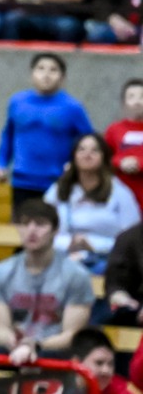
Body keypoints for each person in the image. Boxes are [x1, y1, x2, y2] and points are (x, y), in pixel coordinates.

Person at [0, 198, 94, 364]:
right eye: (24, 224)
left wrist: (35, 345)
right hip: (15, 349)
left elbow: (71, 336)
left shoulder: (76, 275)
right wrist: (13, 343)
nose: (31, 230)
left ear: (55, 230)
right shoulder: (0, 272)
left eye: (40, 224)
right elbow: (0, 329)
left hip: (54, 351)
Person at [0, 52, 96, 207]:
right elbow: (8, 135)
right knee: (24, 227)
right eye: (41, 69)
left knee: (56, 228)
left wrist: (75, 164)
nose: (46, 75)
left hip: (58, 180)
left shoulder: (73, 107)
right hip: (22, 180)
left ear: (63, 78)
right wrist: (1, 164)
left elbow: (89, 141)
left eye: (53, 70)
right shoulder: (17, 102)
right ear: (31, 74)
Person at [47, 133, 141, 272]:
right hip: (64, 253)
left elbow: (133, 237)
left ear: (104, 157)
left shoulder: (119, 192)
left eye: (94, 150)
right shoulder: (59, 189)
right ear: (74, 156)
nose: (87, 154)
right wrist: (69, 243)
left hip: (107, 257)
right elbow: (42, 225)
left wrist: (94, 245)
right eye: (82, 149)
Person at [110, 78, 143, 206]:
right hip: (123, 191)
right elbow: (105, 157)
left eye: (142, 96)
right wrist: (120, 162)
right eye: (131, 97)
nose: (137, 102)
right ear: (124, 102)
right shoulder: (114, 129)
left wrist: (139, 163)